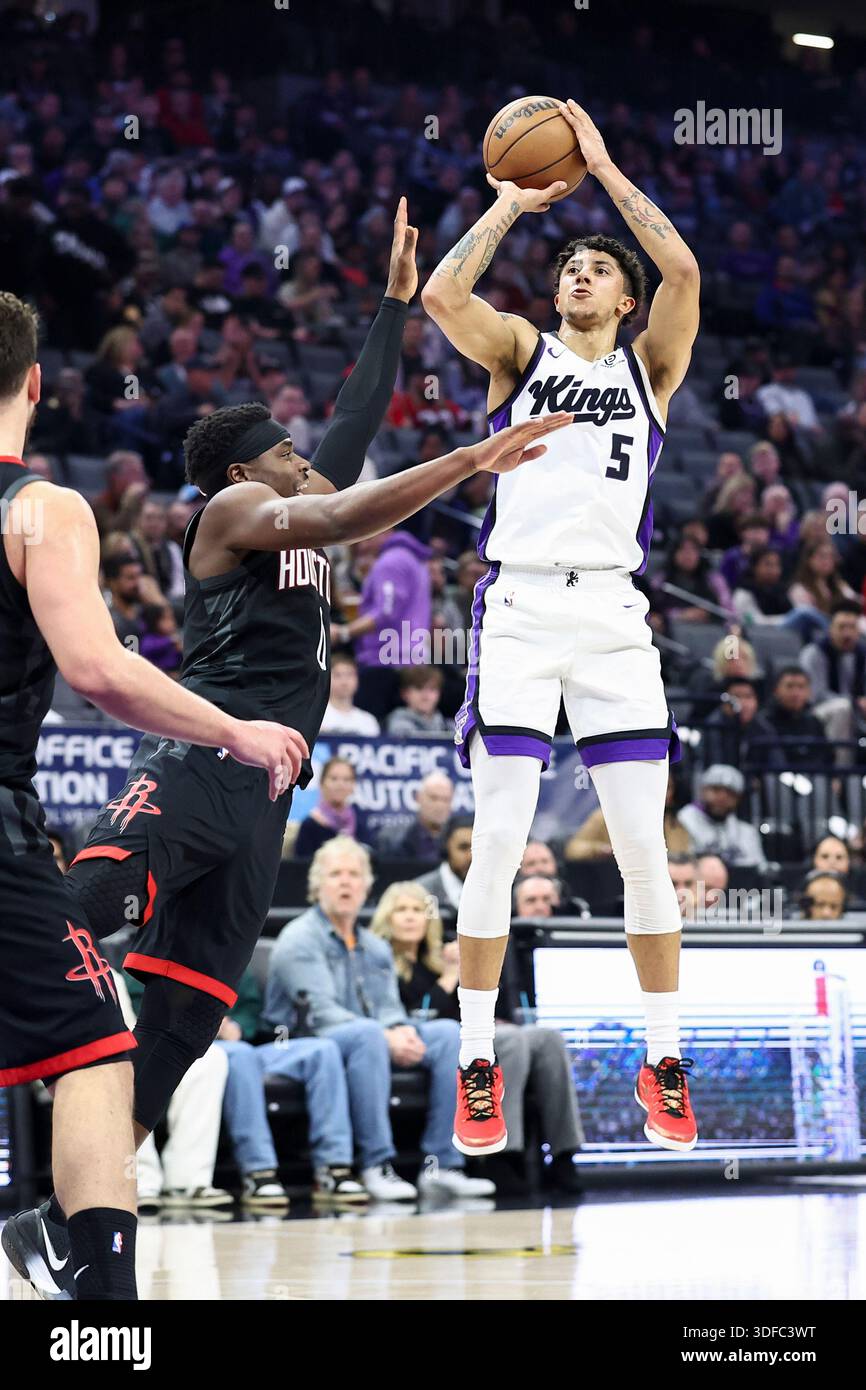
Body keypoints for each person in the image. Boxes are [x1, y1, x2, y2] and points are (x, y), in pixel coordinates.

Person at [16, 202, 562, 1291]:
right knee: (75, 917)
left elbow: (353, 437)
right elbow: (338, 512)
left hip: (267, 799)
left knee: (176, 1033)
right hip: (201, 760)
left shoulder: (300, 489)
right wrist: (467, 455)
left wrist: (394, 303)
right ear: (248, 468)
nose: (313, 464)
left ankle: (54, 1221)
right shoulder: (232, 512)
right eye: (290, 454)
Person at [0, 291, 305, 1302]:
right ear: (36, 385)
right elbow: (99, 670)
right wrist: (231, 728)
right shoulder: (41, 507)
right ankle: (101, 1309)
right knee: (97, 1044)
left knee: (158, 1020)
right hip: (40, 820)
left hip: (232, 811)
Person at [423, 99, 701, 1156]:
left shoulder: (651, 367)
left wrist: (603, 165)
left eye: (595, 269)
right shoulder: (518, 353)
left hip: (615, 620)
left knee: (642, 848)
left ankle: (663, 1060)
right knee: (495, 842)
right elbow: (444, 293)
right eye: (568, 268)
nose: (578, 276)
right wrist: (505, 201)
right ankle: (477, 1061)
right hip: (524, 609)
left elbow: (681, 273)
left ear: (621, 296)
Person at [266, 838, 495, 1201]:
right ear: (316, 885)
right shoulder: (299, 939)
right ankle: (377, 1164)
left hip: (368, 1037)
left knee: (449, 1034)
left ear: (367, 886)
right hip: (304, 1042)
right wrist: (387, 1035)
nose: (346, 882)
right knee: (369, 1034)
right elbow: (322, 1015)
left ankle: (442, 1164)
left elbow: (390, 1010)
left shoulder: (374, 946)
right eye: (336, 874)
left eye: (354, 874)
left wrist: (400, 1030)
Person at [372, 880, 583, 1194]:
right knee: (511, 1041)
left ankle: (565, 1153)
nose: (411, 917)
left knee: (546, 1038)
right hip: (430, 1042)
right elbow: (416, 1016)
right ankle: (499, 1155)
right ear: (386, 918)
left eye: (417, 909)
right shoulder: (380, 961)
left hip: (469, 1033)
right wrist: (449, 976)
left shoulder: (436, 957)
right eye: (401, 910)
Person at [217, 968, 368, 1207]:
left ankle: (333, 1167)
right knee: (243, 1057)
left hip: (239, 1044)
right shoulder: (157, 952)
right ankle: (259, 1172)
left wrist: (238, 1026)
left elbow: (251, 1010)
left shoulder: (227, 954)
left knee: (323, 1050)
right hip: (193, 1050)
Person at [565, 769, 692, 861]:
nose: (664, 793)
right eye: (656, 786)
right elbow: (573, 849)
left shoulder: (675, 824)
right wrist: (600, 850)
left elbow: (683, 858)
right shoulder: (606, 816)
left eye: (668, 787)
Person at [678, 766, 768, 870]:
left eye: (730, 793)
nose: (722, 798)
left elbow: (760, 871)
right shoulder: (681, 822)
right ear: (702, 790)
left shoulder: (747, 832)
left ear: (739, 799)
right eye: (716, 789)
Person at [294, 756, 369, 858]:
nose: (340, 784)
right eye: (334, 779)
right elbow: (301, 865)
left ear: (353, 785)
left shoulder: (360, 820)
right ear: (321, 783)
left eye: (347, 779)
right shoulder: (310, 825)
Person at [378, 769, 454, 862]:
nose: (440, 805)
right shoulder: (392, 840)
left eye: (446, 800)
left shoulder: (457, 843)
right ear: (418, 798)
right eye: (434, 798)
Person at [761, 667, 829, 768]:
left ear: (809, 692)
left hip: (814, 779)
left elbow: (827, 757)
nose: (795, 693)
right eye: (789, 686)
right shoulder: (763, 722)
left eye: (801, 687)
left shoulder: (814, 722)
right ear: (776, 690)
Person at [416, 814, 474, 918]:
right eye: (463, 847)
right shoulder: (420, 891)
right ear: (445, 848)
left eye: (478, 848)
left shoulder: (506, 889)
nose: (471, 856)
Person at [319, 651, 380, 736]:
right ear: (326, 679)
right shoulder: (317, 717)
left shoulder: (368, 720)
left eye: (350, 675)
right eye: (337, 675)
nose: (344, 682)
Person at [384, 664, 449, 736]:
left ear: (439, 693)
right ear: (405, 693)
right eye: (419, 688)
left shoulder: (450, 726)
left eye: (432, 689)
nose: (426, 696)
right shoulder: (398, 725)